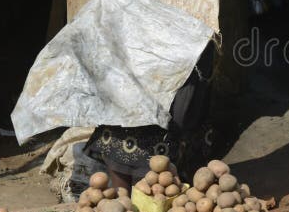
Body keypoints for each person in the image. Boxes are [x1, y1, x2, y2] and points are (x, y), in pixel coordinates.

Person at [83, 42, 215, 188]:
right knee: (146, 197)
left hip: (119, 129)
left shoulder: (136, 29)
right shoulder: (194, 43)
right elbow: (184, 109)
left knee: (126, 196)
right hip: (152, 139)